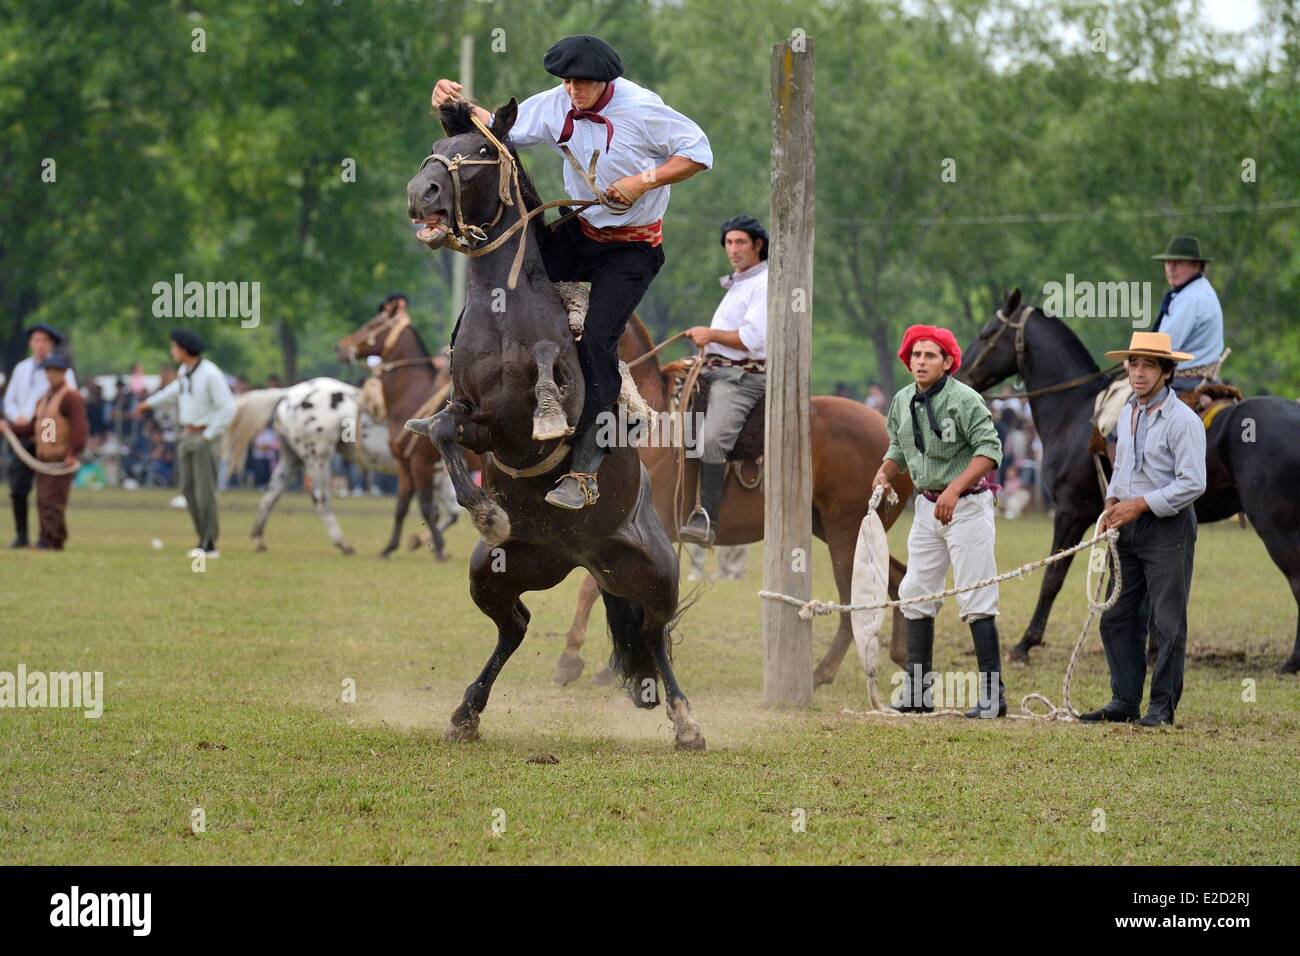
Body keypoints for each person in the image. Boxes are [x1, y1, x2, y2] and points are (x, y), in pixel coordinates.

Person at [432, 34, 712, 510]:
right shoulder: (558, 102)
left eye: (581, 82)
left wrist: (643, 180)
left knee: (598, 339)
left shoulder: (643, 108)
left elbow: (699, 153)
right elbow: (498, 131)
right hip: (581, 233)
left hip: (632, 251)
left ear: (607, 81)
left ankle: (586, 466)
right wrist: (455, 104)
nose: (572, 90)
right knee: (505, 276)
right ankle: (475, 390)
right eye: (566, 82)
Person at [872, 325, 1006, 717]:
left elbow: (990, 450)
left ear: (948, 362)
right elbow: (898, 444)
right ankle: (918, 693)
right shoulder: (900, 401)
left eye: (930, 355)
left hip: (966, 508)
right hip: (927, 510)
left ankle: (993, 696)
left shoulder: (965, 399)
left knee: (976, 596)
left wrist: (953, 490)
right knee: (915, 593)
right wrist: (885, 470)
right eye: (915, 355)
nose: (921, 362)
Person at [1080, 332, 1206, 728]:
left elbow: (1193, 482)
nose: (1138, 372)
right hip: (1128, 524)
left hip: (1168, 527)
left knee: (1167, 622)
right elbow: (1123, 467)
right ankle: (1124, 699)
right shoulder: (1129, 412)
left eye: (1148, 365)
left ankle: (1162, 708)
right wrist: (1112, 503)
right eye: (1134, 364)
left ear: (1166, 373)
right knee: (1116, 617)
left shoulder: (1183, 421)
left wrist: (1141, 504)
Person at [679, 215, 768, 545]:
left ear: (758, 245)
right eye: (729, 243)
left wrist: (710, 333)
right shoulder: (740, 282)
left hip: (744, 376)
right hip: (716, 369)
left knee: (713, 438)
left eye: (740, 242)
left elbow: (754, 338)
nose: (733, 249)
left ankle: (706, 519)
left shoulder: (765, 282)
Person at [133, 329, 235, 556]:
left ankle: (209, 543)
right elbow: (174, 391)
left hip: (205, 436)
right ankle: (201, 537)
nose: (172, 352)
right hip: (187, 434)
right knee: (187, 490)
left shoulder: (210, 374)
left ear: (184, 349)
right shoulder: (185, 371)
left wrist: (209, 435)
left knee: (204, 491)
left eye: (174, 347)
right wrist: (149, 404)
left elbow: (228, 407)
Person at [0, 353, 87, 550]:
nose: (50, 375)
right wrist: (10, 428)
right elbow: (35, 427)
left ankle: (51, 541)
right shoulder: (46, 398)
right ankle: (48, 538)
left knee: (51, 500)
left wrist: (72, 453)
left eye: (55, 371)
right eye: (48, 370)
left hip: (61, 458)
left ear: (64, 373)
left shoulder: (70, 397)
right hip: (46, 457)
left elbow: (78, 428)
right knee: (44, 499)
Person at [1151, 235, 1225, 391]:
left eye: (1178, 262)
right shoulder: (1198, 290)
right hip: (1199, 378)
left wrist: (1136, 359)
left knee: (1133, 406)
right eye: (1168, 262)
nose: (1171, 268)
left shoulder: (1191, 297)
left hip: (1184, 381)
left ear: (1195, 265)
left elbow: (1165, 346)